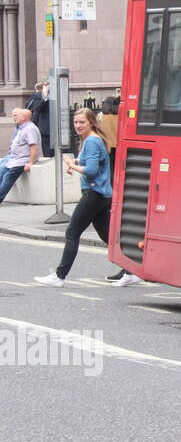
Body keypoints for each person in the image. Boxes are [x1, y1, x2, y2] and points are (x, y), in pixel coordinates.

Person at [34, 109, 141, 288]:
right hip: (102, 195)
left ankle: (59, 276)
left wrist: (72, 165)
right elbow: (96, 165)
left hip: (93, 194)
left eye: (82, 122)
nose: (78, 126)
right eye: (75, 122)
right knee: (108, 236)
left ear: (91, 122)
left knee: (72, 233)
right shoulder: (95, 139)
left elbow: (91, 171)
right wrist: (76, 164)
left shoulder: (91, 141)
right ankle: (132, 271)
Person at [0, 107, 41, 204]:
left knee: (8, 177)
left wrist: (30, 162)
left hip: (21, 161)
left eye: (16, 116)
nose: (14, 118)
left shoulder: (30, 128)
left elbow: (34, 147)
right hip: (14, 159)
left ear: (24, 117)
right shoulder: (22, 128)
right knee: (1, 173)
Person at [26, 80, 51, 158]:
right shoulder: (37, 96)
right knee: (48, 153)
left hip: (58, 130)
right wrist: (44, 98)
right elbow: (35, 108)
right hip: (46, 129)